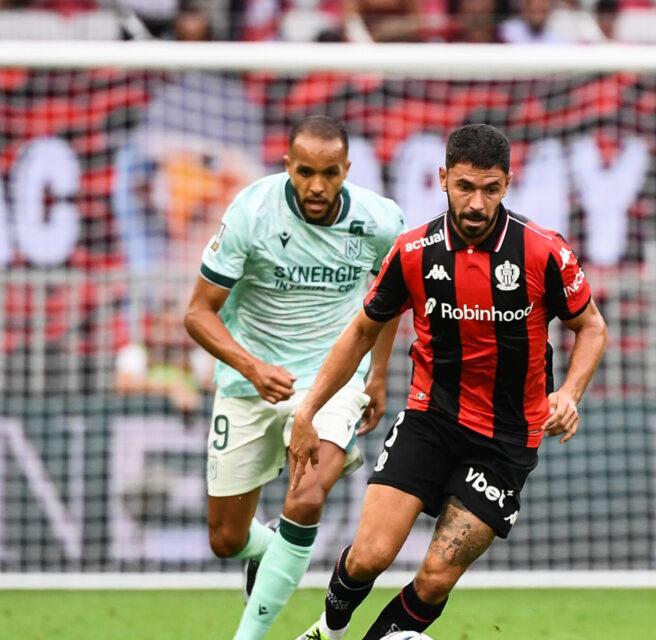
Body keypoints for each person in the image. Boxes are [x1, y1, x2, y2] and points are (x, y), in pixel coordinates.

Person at [290, 124, 609, 639]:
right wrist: (308, 410)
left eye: (490, 188)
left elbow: (590, 326)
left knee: (436, 576)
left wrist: (569, 392)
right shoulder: (414, 251)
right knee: (369, 555)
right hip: (430, 418)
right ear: (442, 179)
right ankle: (329, 629)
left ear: (507, 183)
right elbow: (362, 330)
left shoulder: (543, 252)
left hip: (507, 439)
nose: (477, 203)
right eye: (465, 186)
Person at [183, 115, 405, 640]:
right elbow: (197, 313)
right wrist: (251, 367)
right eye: (305, 172)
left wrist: (376, 375)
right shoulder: (252, 212)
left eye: (330, 173)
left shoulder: (380, 222)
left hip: (331, 380)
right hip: (251, 381)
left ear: (347, 169)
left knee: (305, 497)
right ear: (288, 165)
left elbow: (391, 297)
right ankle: (272, 553)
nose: (317, 186)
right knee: (225, 540)